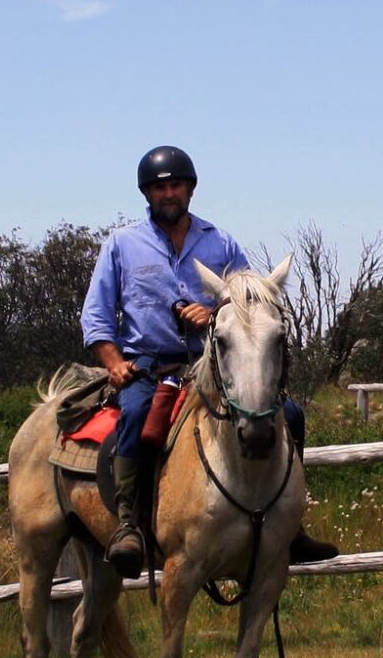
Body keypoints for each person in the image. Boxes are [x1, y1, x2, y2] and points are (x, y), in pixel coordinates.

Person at [81, 144, 341, 577]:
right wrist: (112, 361)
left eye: (176, 185)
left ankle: (291, 524)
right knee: (134, 413)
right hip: (150, 364)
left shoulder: (220, 242)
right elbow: (96, 313)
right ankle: (129, 524)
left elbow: (249, 302)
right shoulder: (123, 244)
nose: (169, 194)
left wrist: (214, 311)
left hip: (213, 361)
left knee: (289, 414)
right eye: (160, 187)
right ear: (147, 193)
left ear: (190, 190)